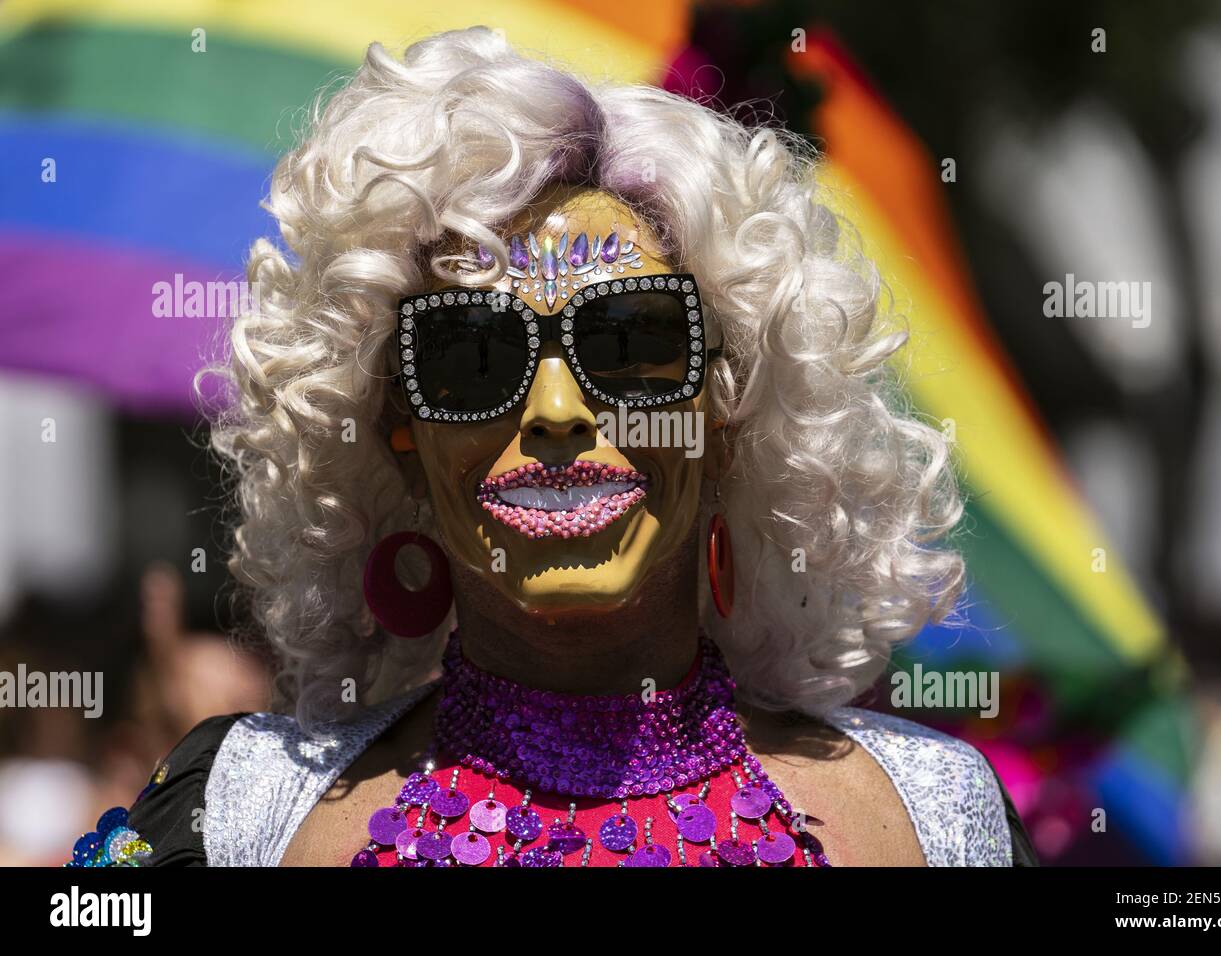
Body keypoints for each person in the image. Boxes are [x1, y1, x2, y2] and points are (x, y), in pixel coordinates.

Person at [68, 26, 1035, 868]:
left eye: (634, 341)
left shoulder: (933, 821)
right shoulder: (243, 820)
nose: (560, 411)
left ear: (727, 415)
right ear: (398, 438)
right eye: (472, 353)